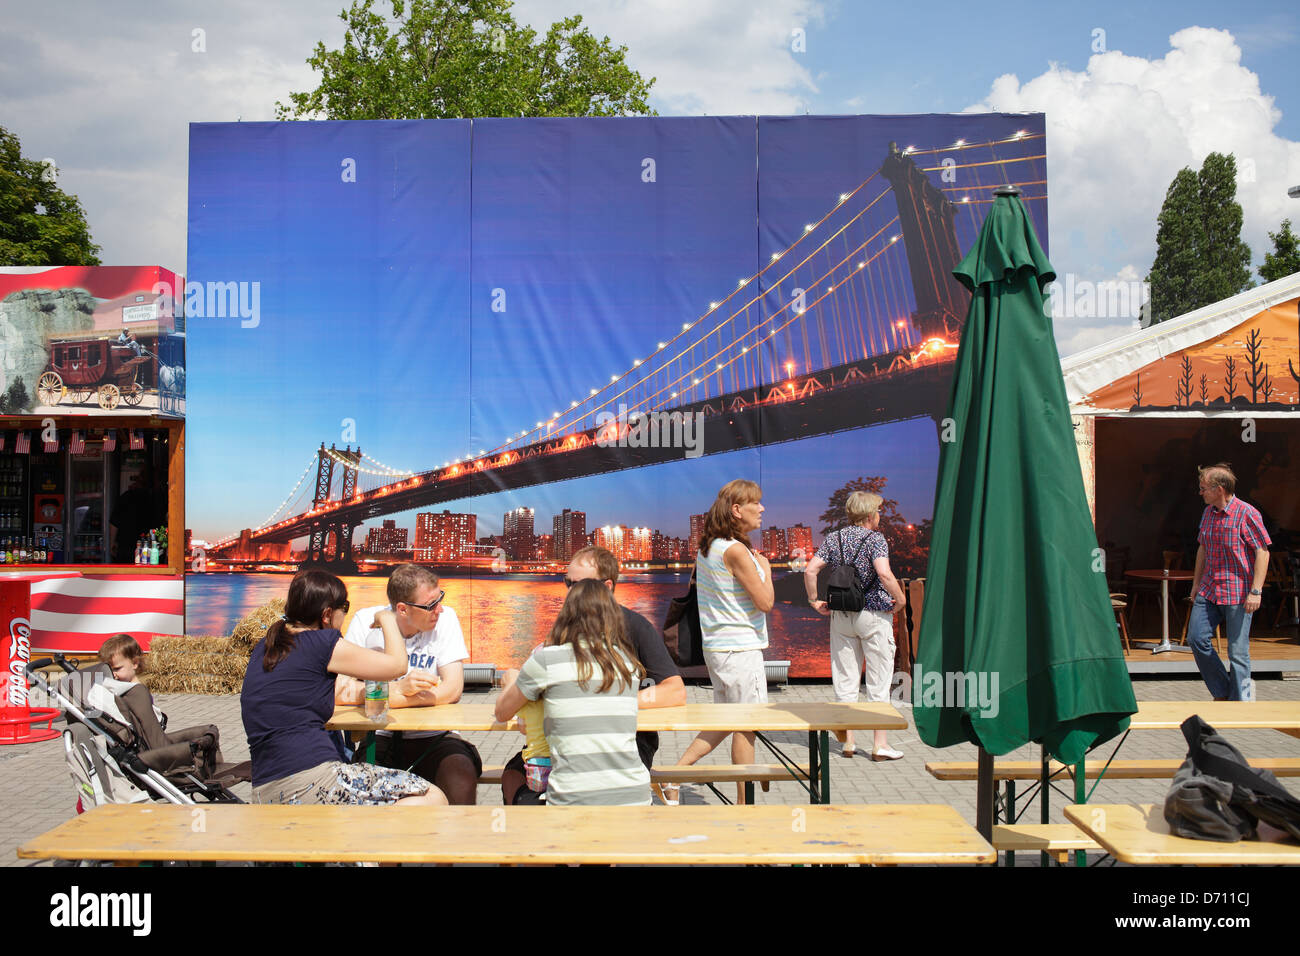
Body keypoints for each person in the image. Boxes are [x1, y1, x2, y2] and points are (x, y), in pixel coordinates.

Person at [498, 546, 686, 805]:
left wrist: (612, 701)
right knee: (514, 769)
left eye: (578, 585)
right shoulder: (563, 632)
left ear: (607, 586)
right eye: (567, 583)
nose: (570, 592)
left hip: (629, 741)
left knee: (519, 776)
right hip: (569, 744)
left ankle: (537, 829)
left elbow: (674, 691)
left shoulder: (635, 627)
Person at [241, 569, 445, 806]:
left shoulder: (266, 646)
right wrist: (387, 619)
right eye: (345, 608)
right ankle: (374, 839)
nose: (345, 616)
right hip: (312, 780)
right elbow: (398, 665)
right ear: (327, 615)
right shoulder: (322, 643)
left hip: (264, 788)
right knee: (432, 797)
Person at [334, 564, 482, 804]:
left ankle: (458, 840)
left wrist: (394, 697)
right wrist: (399, 689)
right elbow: (340, 691)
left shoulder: (446, 619)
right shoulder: (365, 622)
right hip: (379, 735)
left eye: (440, 599)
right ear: (402, 609)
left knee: (461, 778)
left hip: (437, 735)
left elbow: (453, 689)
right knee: (363, 786)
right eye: (431, 605)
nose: (439, 609)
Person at [493, 578, 650, 806]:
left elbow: (502, 713)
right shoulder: (627, 664)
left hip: (572, 800)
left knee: (512, 776)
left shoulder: (547, 659)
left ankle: (526, 838)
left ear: (566, 614)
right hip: (635, 796)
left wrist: (510, 680)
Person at [666, 479, 772, 805]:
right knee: (745, 726)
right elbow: (765, 602)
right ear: (737, 510)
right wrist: (765, 568)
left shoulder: (708, 548)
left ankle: (672, 777)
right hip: (740, 649)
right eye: (756, 503)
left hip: (717, 648)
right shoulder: (738, 551)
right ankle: (744, 806)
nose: (763, 508)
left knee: (727, 719)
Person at [802, 491, 907, 759]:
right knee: (878, 681)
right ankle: (880, 745)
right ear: (870, 515)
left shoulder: (833, 538)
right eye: (878, 512)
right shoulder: (875, 539)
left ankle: (848, 742)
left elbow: (810, 570)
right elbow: (883, 572)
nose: (880, 516)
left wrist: (815, 600)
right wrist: (900, 598)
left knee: (846, 680)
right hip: (873, 615)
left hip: (841, 616)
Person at [1187, 463, 1271, 702]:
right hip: (1210, 589)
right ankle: (1223, 692)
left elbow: (1262, 552)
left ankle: (1242, 702)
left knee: (1237, 651)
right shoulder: (1208, 513)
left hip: (1239, 592)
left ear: (1220, 489)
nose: (1200, 492)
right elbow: (1202, 547)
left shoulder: (1247, 513)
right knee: (1196, 638)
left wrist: (1256, 591)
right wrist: (1196, 583)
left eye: (1204, 488)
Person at [96, 633, 224, 776]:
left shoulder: (135, 693)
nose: (113, 675)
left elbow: (152, 734)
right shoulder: (132, 694)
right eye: (110, 670)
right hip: (153, 757)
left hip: (150, 750)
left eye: (117, 669)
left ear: (135, 663)